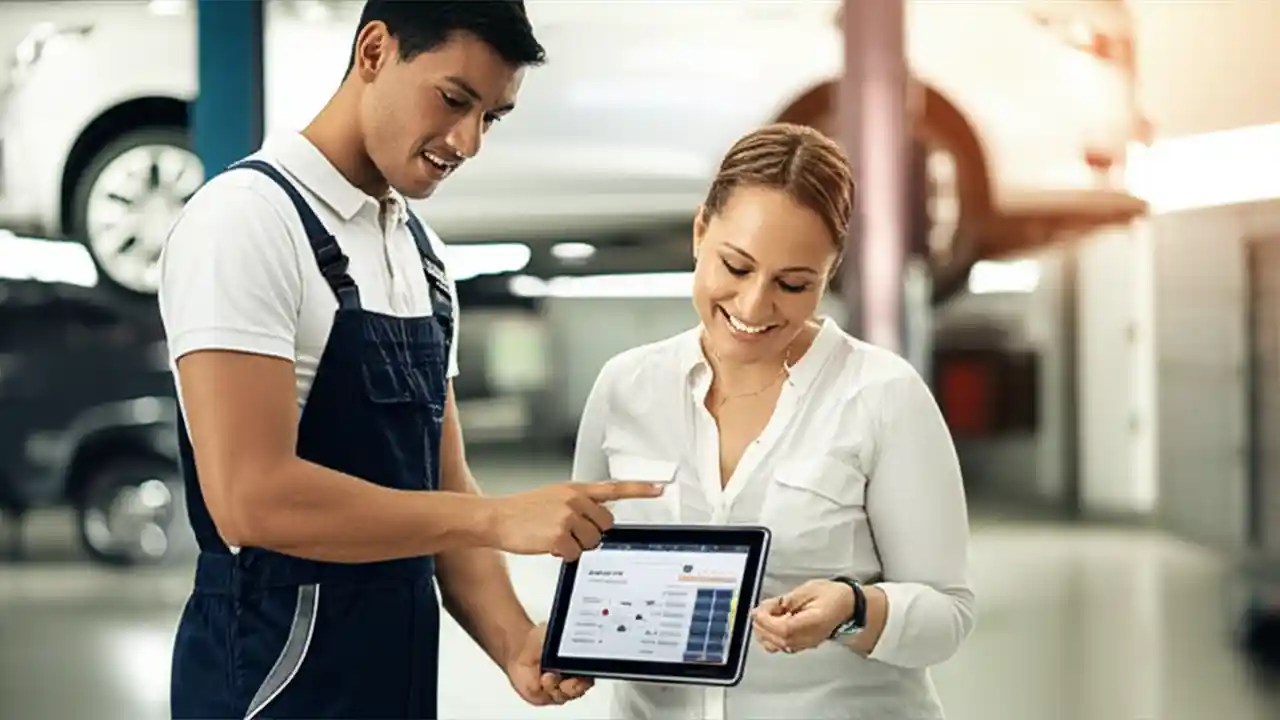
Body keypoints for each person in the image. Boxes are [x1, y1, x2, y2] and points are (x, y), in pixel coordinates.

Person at [159, 2, 663, 717]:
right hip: (270, 681)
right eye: (454, 99)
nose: (468, 141)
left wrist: (516, 642)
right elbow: (250, 498)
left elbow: (442, 485)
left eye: (491, 117)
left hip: (393, 677)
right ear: (374, 51)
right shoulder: (245, 221)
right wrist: (496, 519)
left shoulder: (421, 253)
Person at [571, 123, 977, 719]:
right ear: (700, 232)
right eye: (736, 267)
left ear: (829, 273)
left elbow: (948, 616)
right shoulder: (625, 388)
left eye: (793, 284)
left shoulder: (883, 395)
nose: (755, 305)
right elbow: (588, 574)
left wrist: (853, 611)